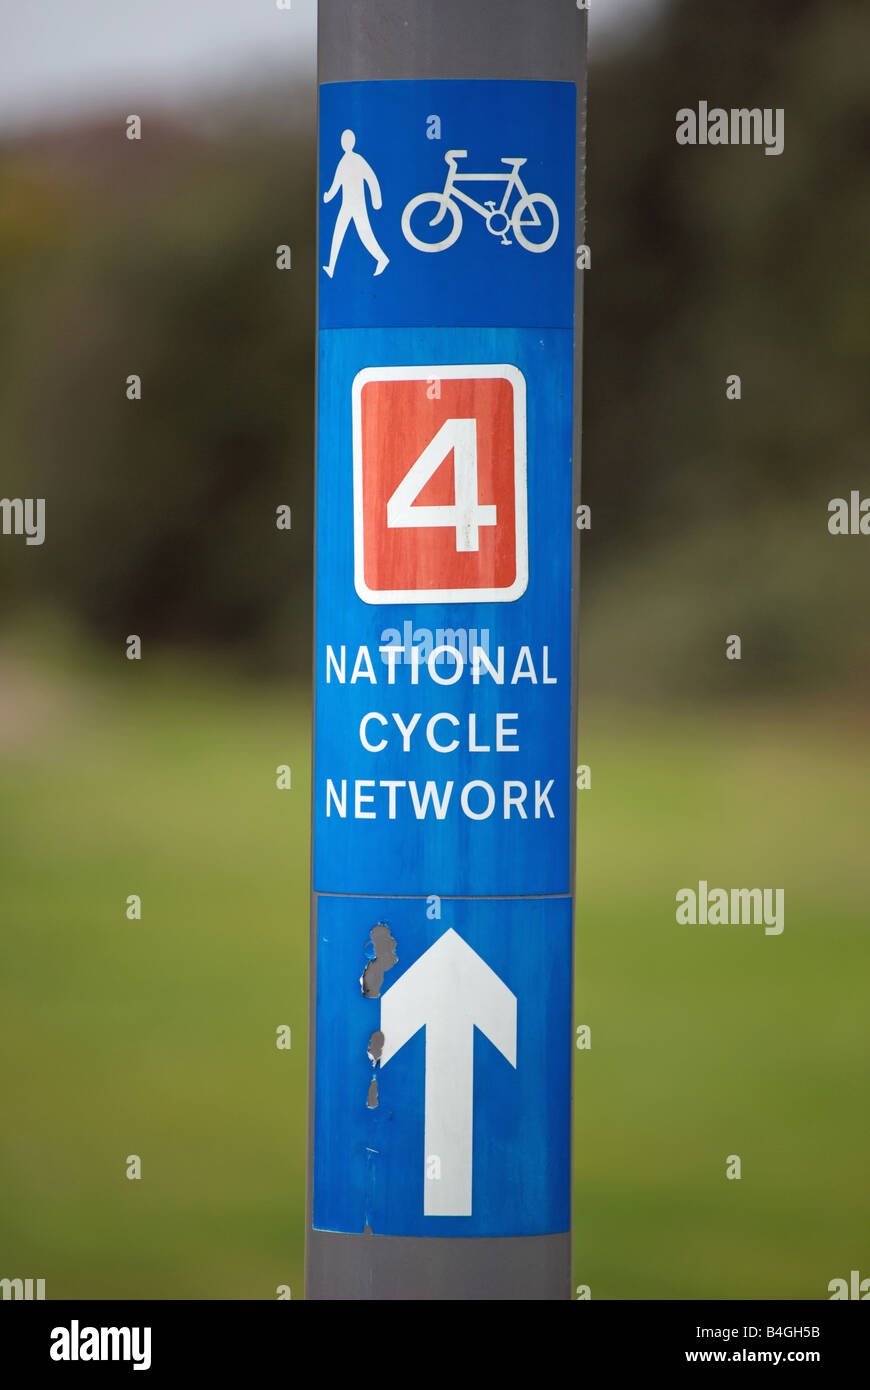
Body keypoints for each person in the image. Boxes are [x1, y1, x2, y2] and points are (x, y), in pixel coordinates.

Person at [322, 130, 389, 278]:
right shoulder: (343, 161)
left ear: (351, 143)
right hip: (346, 206)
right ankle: (331, 267)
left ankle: (382, 259)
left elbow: (371, 178)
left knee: (366, 236)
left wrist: (376, 200)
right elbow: (336, 184)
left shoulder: (358, 160)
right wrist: (328, 197)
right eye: (343, 141)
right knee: (337, 233)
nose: (345, 144)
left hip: (358, 206)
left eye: (347, 141)